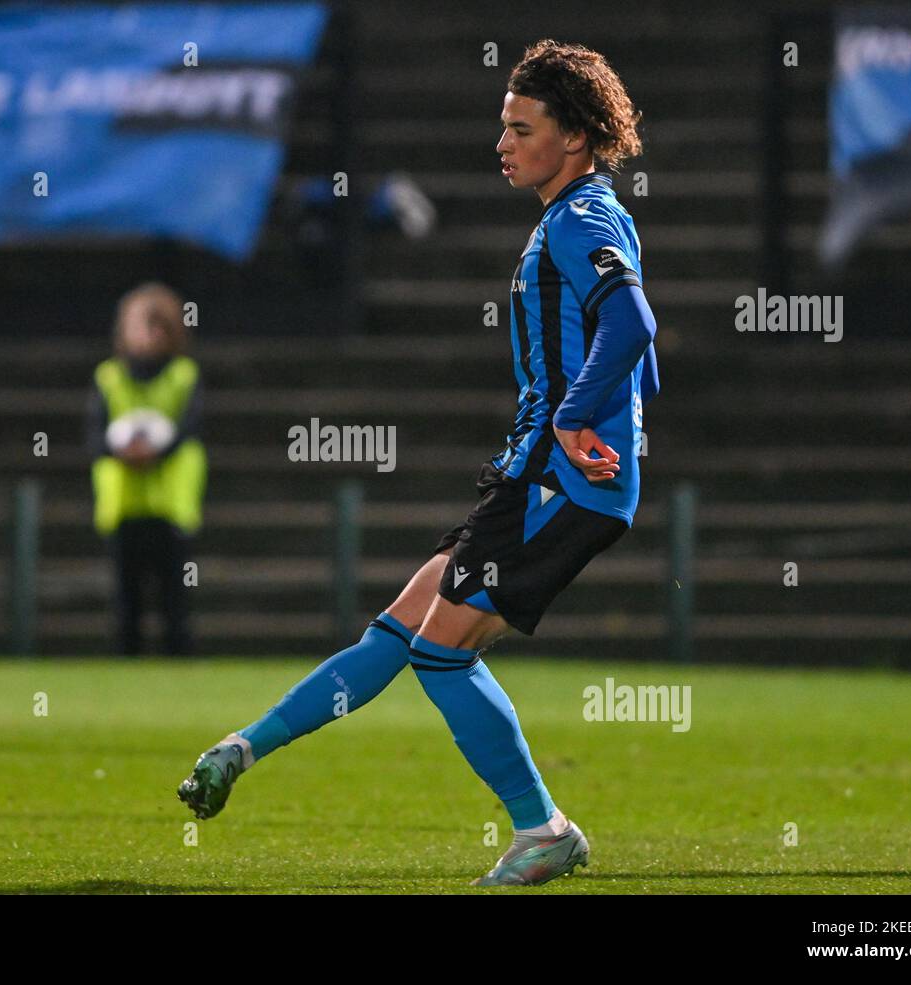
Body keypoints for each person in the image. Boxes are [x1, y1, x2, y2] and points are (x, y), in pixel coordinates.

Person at [177, 41, 660, 886]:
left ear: (577, 137)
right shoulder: (588, 212)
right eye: (502, 128)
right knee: (398, 632)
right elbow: (636, 351)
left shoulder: (580, 217)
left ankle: (541, 828)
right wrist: (612, 412)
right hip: (534, 472)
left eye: (521, 128)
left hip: (559, 478)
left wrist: (583, 419)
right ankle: (241, 748)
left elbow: (634, 325)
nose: (502, 144)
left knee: (441, 653)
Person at [87, 282, 206, 656]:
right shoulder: (109, 377)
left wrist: (154, 452)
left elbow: (189, 428)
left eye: (158, 326)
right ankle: (126, 667)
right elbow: (94, 435)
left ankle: (180, 668)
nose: (149, 335)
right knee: (126, 599)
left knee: (175, 598)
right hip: (123, 502)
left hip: (170, 504)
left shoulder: (184, 375)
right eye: (141, 325)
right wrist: (122, 452)